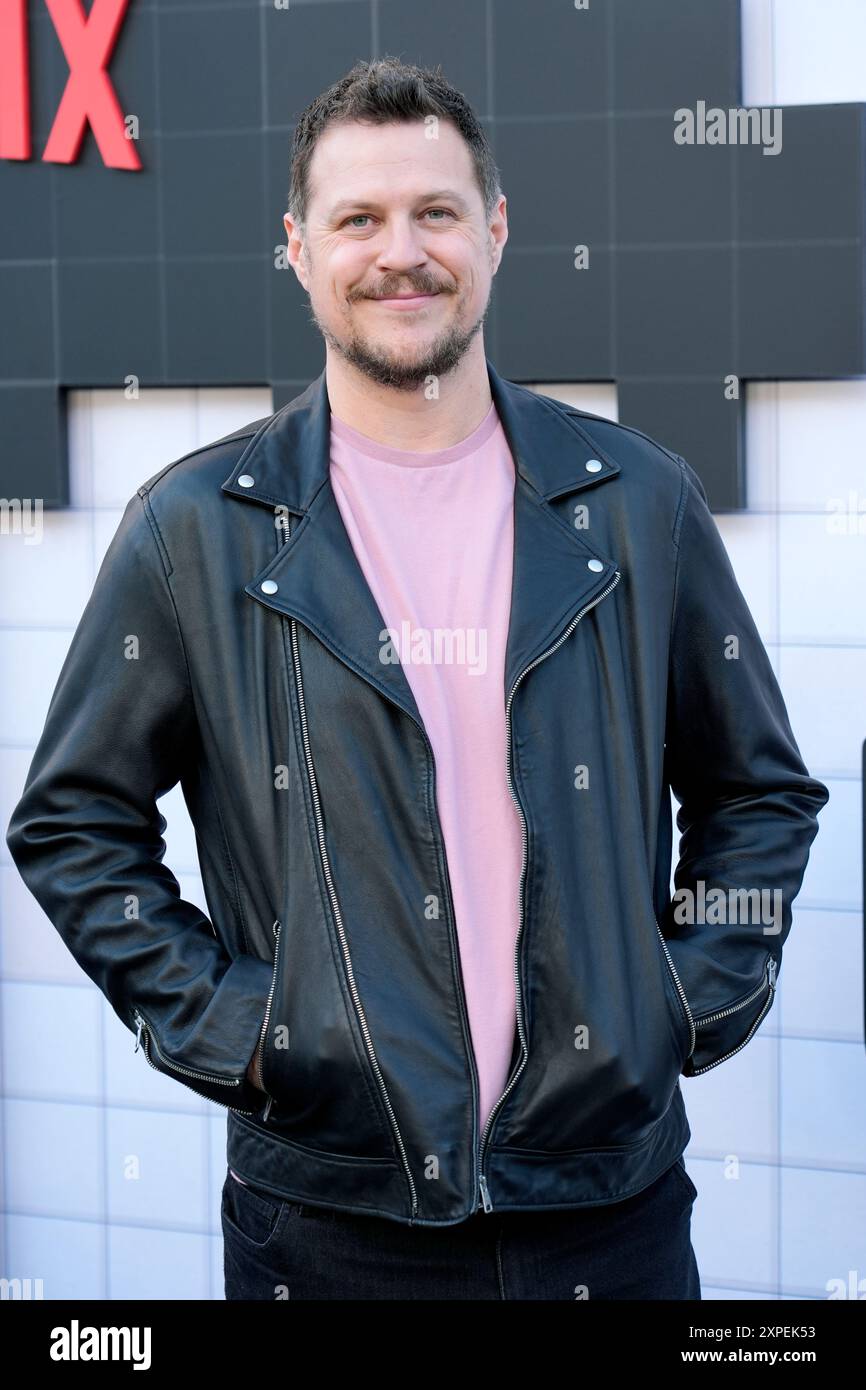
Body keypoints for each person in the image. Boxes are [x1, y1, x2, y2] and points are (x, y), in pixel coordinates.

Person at [6, 57, 829, 1301]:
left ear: (494, 232)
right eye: (359, 219)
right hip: (325, 1226)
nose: (403, 251)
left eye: (436, 212)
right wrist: (247, 1030)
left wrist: (682, 1000)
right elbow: (73, 822)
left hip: (606, 1212)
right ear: (297, 248)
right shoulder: (196, 528)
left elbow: (757, 794)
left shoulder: (637, 501)